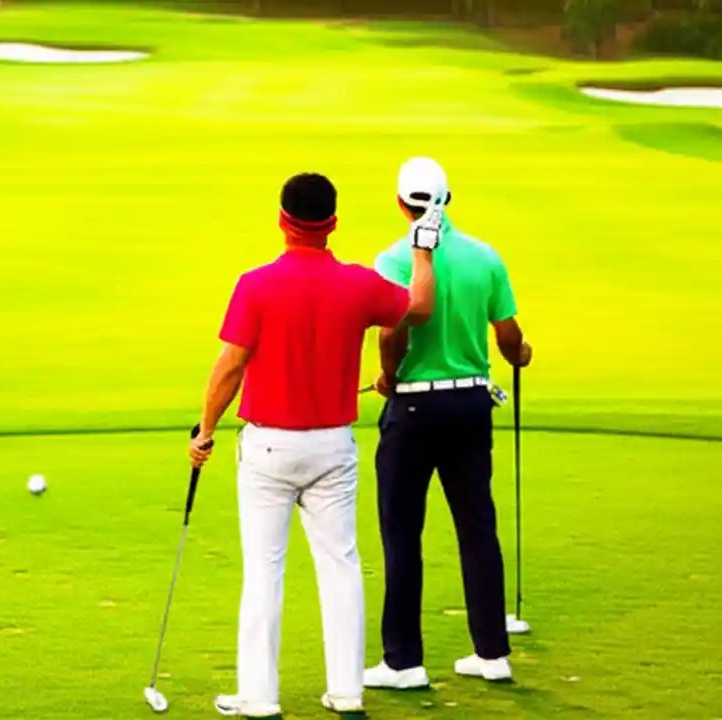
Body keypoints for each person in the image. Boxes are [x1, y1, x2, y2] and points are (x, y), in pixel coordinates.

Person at [188, 172, 441, 717]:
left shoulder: (254, 284)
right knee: (341, 565)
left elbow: (230, 365)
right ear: (332, 223)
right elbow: (419, 307)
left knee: (264, 570)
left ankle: (258, 696)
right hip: (332, 450)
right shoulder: (357, 284)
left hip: (268, 452)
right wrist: (423, 247)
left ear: (283, 220)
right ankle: (347, 691)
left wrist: (205, 431)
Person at [364, 157, 534, 690]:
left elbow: (391, 333)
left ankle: (403, 662)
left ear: (399, 203)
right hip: (470, 404)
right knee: (477, 527)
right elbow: (508, 336)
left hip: (414, 408)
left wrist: (388, 375)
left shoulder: (393, 259)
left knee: (402, 533)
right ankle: (491, 653)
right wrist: (521, 353)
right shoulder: (485, 257)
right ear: (449, 198)